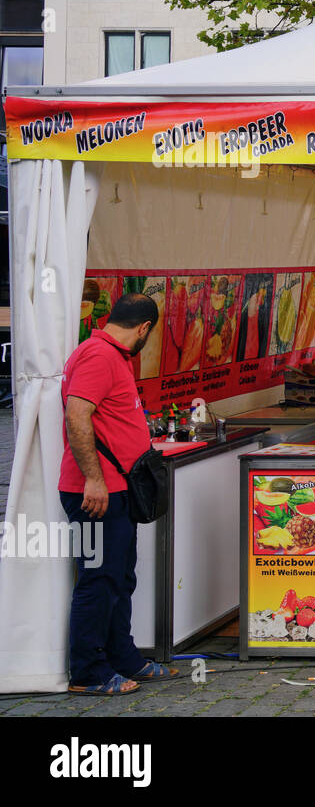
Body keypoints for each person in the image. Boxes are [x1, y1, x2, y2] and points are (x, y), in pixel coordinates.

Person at [60, 293, 180, 696]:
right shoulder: (97, 355)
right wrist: (93, 479)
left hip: (116, 489)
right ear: (144, 328)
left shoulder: (112, 355)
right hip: (94, 493)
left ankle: (123, 657)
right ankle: (88, 672)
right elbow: (77, 415)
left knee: (119, 577)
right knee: (98, 580)